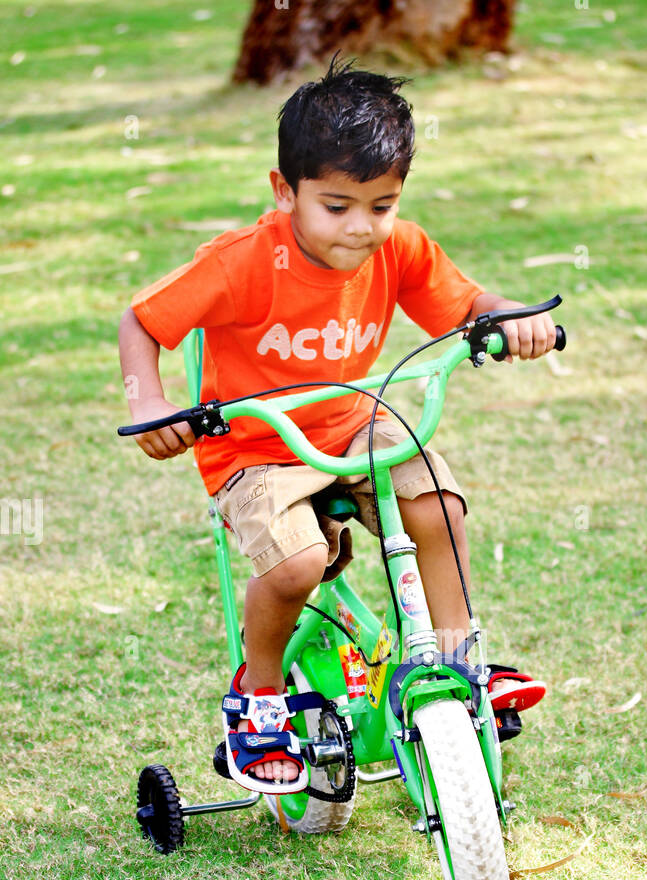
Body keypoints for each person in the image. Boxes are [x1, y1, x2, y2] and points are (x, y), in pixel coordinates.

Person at [118, 57, 555, 793]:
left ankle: (454, 659)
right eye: (337, 206)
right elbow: (141, 321)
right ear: (284, 191)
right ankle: (257, 700)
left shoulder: (401, 248)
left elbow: (468, 301)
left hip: (350, 425)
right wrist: (147, 404)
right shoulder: (242, 261)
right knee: (295, 567)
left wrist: (507, 320)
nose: (362, 229)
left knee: (439, 505)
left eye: (381, 206)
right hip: (256, 448)